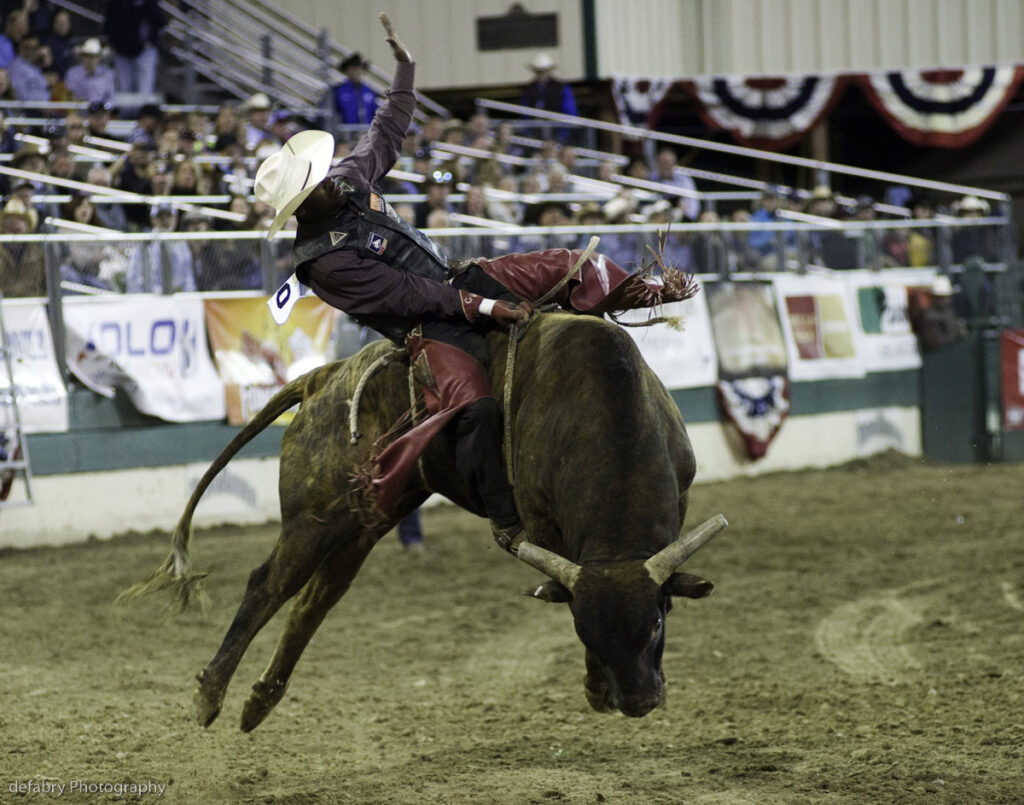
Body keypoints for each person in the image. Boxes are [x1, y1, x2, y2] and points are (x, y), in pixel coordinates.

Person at [254, 14, 695, 550]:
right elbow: (406, 296)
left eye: (320, 174)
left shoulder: (347, 180)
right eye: (314, 183)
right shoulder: (322, 262)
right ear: (301, 204)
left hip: (457, 278)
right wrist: (484, 308)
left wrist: (405, 71)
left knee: (572, 264)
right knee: (476, 410)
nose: (326, 179)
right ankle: (507, 520)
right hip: (428, 329)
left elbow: (385, 132)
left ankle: (650, 294)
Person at [103, 0, 164, 95]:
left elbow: (160, 22)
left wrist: (150, 41)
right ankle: (126, 110)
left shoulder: (149, 2)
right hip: (121, 50)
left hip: (145, 50)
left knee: (144, 88)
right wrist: (113, 42)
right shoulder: (116, 2)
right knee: (125, 87)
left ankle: (144, 109)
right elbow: (109, 22)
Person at [520, 52, 577, 142]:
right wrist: (529, 134)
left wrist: (562, 135)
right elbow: (525, 114)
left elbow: (570, 112)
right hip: (537, 133)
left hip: (557, 132)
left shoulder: (561, 88)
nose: (541, 74)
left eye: (543, 71)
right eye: (538, 71)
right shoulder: (529, 90)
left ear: (549, 71)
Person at [0, 198, 46, 297]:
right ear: (2, 226)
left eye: (19, 219)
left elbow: (45, 284)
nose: (14, 224)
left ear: (27, 226)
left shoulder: (38, 254)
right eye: (9, 219)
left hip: (33, 302)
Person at [912, 275, 968, 351]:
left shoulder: (948, 311)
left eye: (945, 297)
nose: (943, 300)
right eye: (939, 297)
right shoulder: (929, 317)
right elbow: (936, 342)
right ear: (933, 297)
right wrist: (957, 334)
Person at [330, 52, 378, 125]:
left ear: (362, 70)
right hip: (345, 133)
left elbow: (375, 113)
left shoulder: (370, 91)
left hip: (367, 132)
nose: (356, 71)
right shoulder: (338, 90)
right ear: (347, 71)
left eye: (358, 68)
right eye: (352, 68)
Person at [64, 37, 116, 104]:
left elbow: (111, 97)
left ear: (99, 57)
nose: (91, 60)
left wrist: (104, 109)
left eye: (94, 56)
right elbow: (69, 96)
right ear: (82, 57)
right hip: (79, 110)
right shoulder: (72, 74)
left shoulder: (107, 74)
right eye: (87, 56)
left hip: (101, 111)